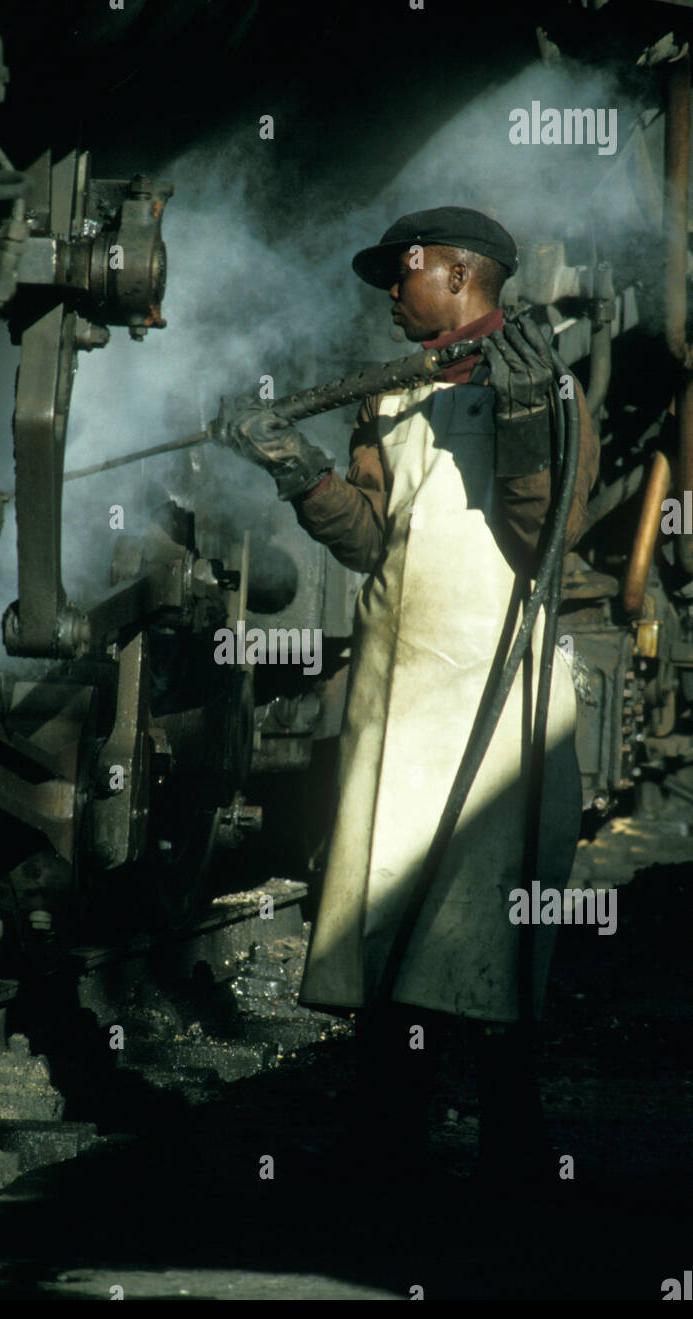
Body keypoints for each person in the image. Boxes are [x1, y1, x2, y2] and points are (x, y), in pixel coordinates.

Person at [213, 207, 600, 1187]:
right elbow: (369, 538)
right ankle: (386, 1147)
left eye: (405, 274)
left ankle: (513, 1146)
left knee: (492, 933)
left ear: (465, 275)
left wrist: (519, 423)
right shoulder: (389, 399)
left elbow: (538, 539)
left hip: (495, 687)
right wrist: (297, 472)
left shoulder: (546, 388)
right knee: (388, 928)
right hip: (404, 687)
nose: (390, 291)